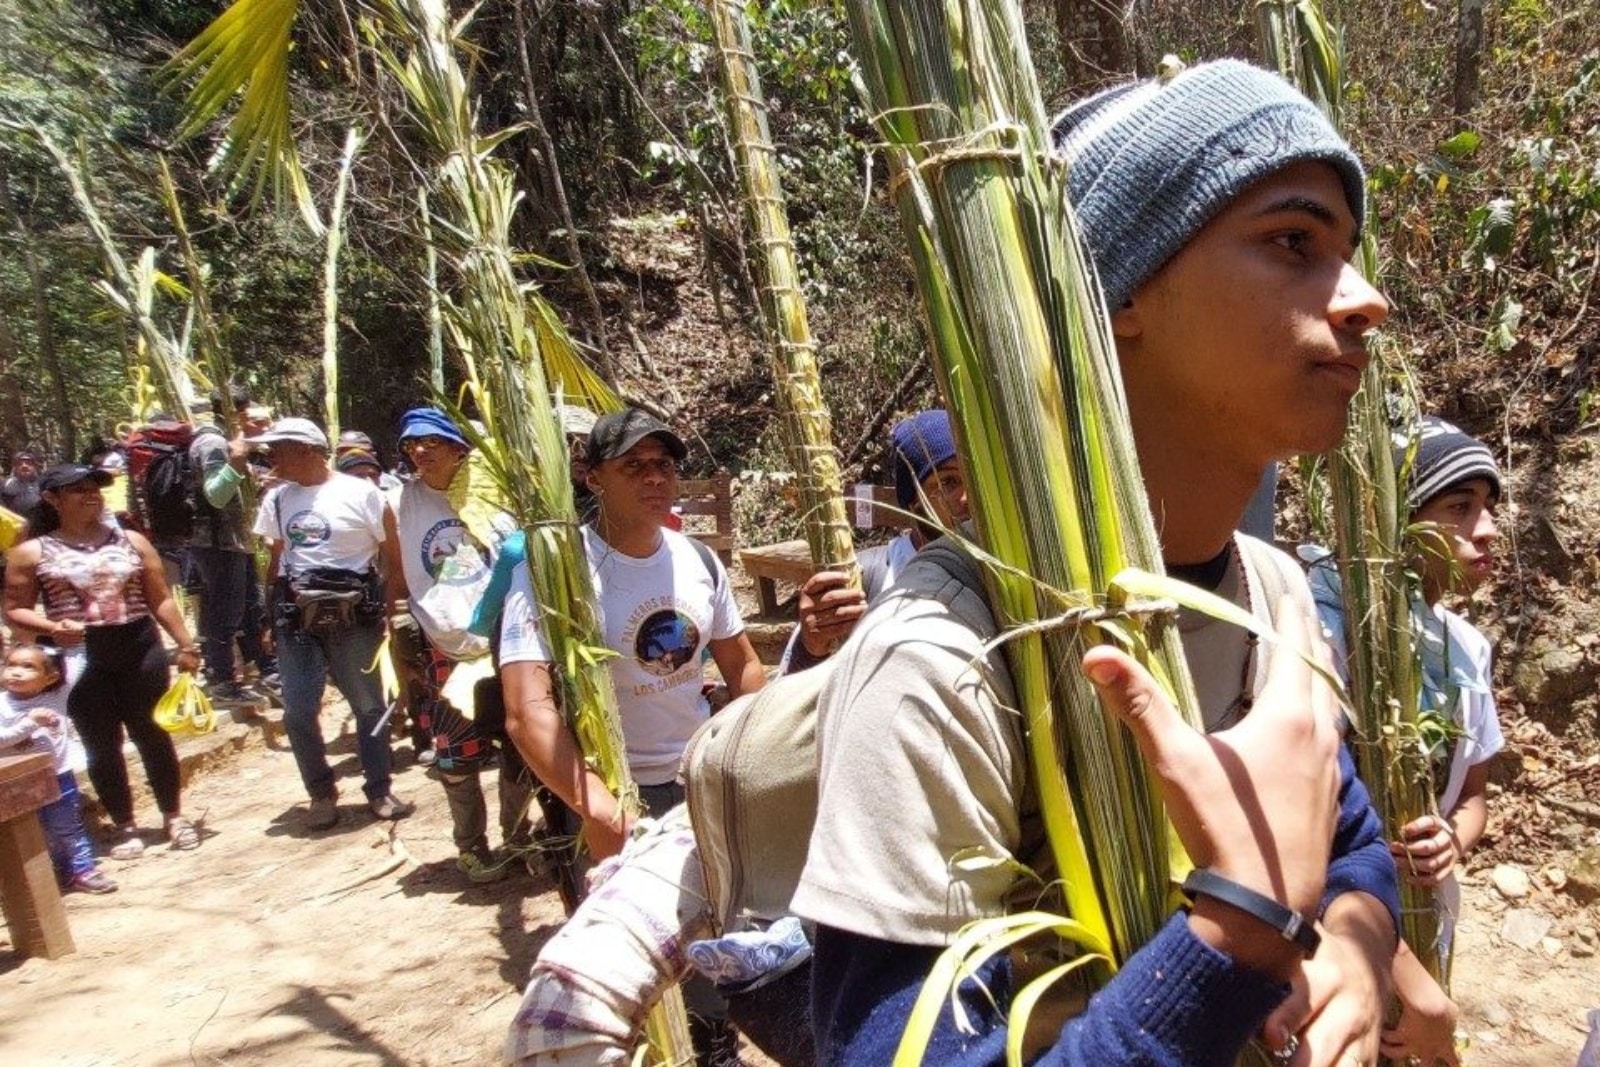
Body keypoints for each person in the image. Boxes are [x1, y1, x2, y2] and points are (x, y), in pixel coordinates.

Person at [791, 59, 1400, 1066]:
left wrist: (1356, 938)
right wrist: (1233, 938)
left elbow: (1351, 840)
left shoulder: (1275, 593)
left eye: (1347, 252)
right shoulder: (945, 657)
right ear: (1117, 293)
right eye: (1294, 241)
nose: (1367, 300)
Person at [499, 407, 765, 1063]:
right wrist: (600, 806)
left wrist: (755, 751)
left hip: (697, 784)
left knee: (713, 948)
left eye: (664, 464)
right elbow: (526, 709)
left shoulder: (697, 561)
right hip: (608, 792)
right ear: (592, 477)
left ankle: (718, 1049)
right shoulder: (556, 574)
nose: (654, 478)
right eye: (633, 466)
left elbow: (743, 668)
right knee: (631, 967)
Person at [1309, 416, 1505, 1066]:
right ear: (1397, 519)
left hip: (1426, 917)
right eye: (1459, 506)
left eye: (1489, 507)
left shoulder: (1467, 650)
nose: (1487, 528)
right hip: (1339, 932)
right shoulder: (1328, 630)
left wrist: (1451, 838)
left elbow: (1473, 796)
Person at [3, 463, 203, 859]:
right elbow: (13, 610)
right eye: (77, 489)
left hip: (138, 643)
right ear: (52, 499)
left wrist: (185, 643)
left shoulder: (132, 541)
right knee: (101, 741)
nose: (90, 495)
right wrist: (51, 627)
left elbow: (160, 597)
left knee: (153, 732)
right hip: (79, 653)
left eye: (94, 487)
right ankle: (125, 824)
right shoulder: (32, 552)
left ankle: (173, 816)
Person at [389, 407, 532, 883]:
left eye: (432, 441)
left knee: (520, 742)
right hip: (443, 645)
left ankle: (518, 836)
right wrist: (398, 640)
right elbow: (393, 569)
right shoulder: (400, 503)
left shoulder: (491, 494)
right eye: (412, 444)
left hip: (503, 638)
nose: (420, 451)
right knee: (455, 752)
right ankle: (471, 846)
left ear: (458, 448)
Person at [249, 417, 413, 830]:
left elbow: (393, 557)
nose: (271, 457)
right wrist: (269, 615)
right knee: (298, 710)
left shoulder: (363, 494)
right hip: (295, 617)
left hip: (355, 617)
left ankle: (379, 788)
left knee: (370, 704)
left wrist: (391, 611)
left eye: (277, 449)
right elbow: (277, 560)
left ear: (305, 450)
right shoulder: (277, 499)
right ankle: (320, 793)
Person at [788, 408, 968, 672]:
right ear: (913, 500)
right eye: (948, 482)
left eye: (974, 479)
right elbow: (790, 688)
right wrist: (810, 648)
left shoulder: (1004, 577)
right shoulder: (866, 581)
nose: (967, 498)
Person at [0, 642, 117, 893]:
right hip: (20, 782)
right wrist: (30, 724)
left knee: (67, 826)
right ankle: (64, 871)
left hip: (58, 776)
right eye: (11, 665)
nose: (16, 672)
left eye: (28, 667)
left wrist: (71, 635)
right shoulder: (2, 705)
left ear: (50, 677)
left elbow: (78, 659)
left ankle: (83, 870)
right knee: (42, 832)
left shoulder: (56, 696)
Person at [188, 385, 277, 702]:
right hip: (218, 543)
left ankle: (267, 671)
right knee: (224, 612)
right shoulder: (212, 443)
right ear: (235, 413)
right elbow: (216, 495)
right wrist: (237, 462)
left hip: (237, 540)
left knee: (250, 607)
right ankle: (222, 680)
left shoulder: (225, 440)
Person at [2, 448, 43, 517]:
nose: (24, 466)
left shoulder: (44, 484)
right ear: (15, 468)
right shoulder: (7, 485)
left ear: (35, 466)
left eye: (28, 463)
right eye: (19, 464)